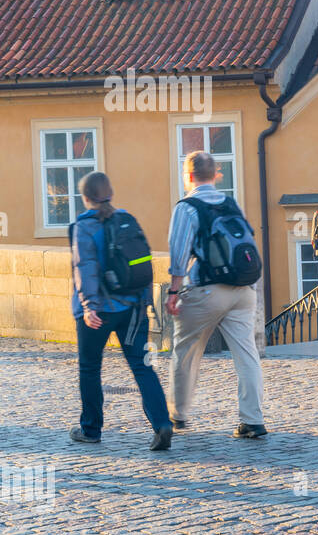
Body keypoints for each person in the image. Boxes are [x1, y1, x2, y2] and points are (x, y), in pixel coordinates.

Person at [68, 172, 173, 450]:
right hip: (132, 308)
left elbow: (85, 268)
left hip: (99, 312)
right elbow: (143, 262)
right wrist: (145, 302)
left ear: (85, 197)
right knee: (142, 367)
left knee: (90, 368)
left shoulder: (84, 226)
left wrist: (90, 306)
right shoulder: (127, 219)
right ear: (111, 193)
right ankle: (162, 423)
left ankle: (91, 429)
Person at [166, 150, 268, 439]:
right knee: (247, 353)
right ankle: (253, 420)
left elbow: (179, 253)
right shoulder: (231, 203)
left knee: (185, 349)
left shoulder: (187, 207)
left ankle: (178, 416)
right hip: (244, 291)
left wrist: (174, 291)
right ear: (216, 175)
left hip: (207, 290)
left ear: (188, 176)